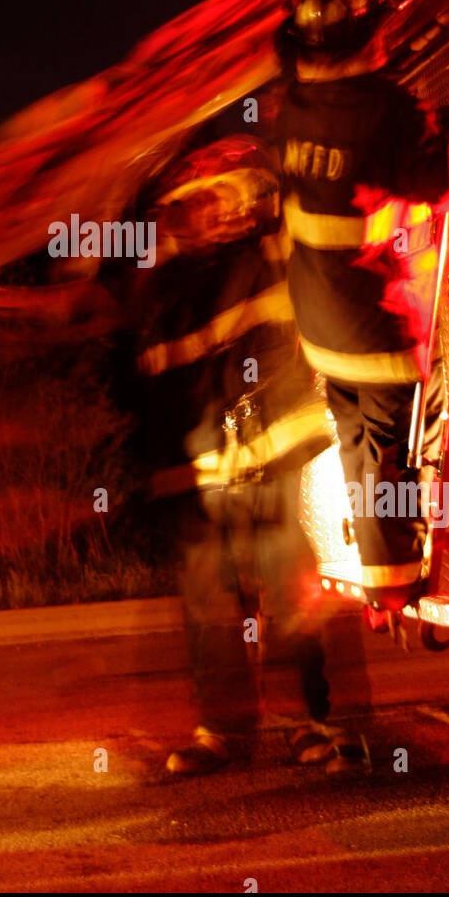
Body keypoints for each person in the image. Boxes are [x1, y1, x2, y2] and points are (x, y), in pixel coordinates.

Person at [113, 134, 371, 777]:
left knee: (294, 595)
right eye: (189, 205)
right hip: (196, 474)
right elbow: (157, 380)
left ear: (248, 202)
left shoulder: (272, 258)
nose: (204, 214)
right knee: (209, 609)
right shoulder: (167, 286)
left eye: (213, 199)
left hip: (271, 462)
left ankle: (316, 723)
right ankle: (223, 731)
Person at [273, 0, 449, 612]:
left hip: (321, 325)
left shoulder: (295, 107)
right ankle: (396, 583)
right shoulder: (385, 111)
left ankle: (385, 572)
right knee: (392, 452)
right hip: (377, 329)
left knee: (362, 449)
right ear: (367, 34)